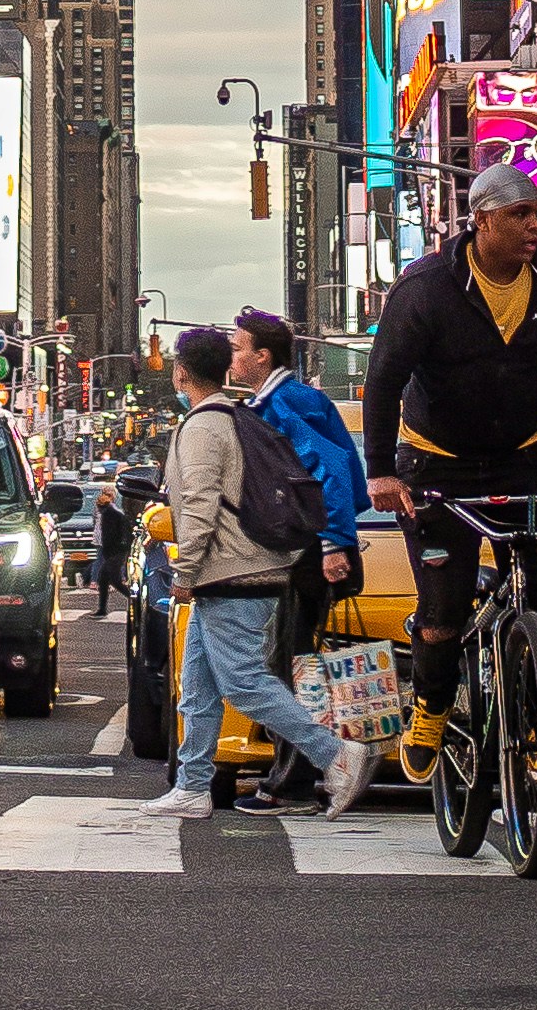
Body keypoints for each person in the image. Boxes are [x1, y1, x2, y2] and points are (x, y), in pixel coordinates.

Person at [361, 155, 537, 783]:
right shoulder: (425, 289)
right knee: (443, 614)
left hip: (528, 458)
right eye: (519, 215)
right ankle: (430, 707)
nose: (535, 225)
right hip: (437, 466)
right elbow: (382, 381)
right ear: (481, 221)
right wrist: (380, 471)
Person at [132, 329, 370, 819]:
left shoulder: (203, 427)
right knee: (198, 686)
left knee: (242, 681)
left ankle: (335, 753)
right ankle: (194, 785)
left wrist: (185, 570)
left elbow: (197, 508)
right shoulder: (231, 418)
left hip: (234, 574)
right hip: (235, 571)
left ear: (181, 373)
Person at [225, 307, 363, 807]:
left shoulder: (290, 401)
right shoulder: (277, 400)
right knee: (288, 662)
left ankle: (296, 780)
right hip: (298, 551)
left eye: (238, 349)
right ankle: (295, 775)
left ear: (263, 356)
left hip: (305, 555)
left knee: (292, 665)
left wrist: (332, 544)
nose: (232, 358)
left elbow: (330, 472)